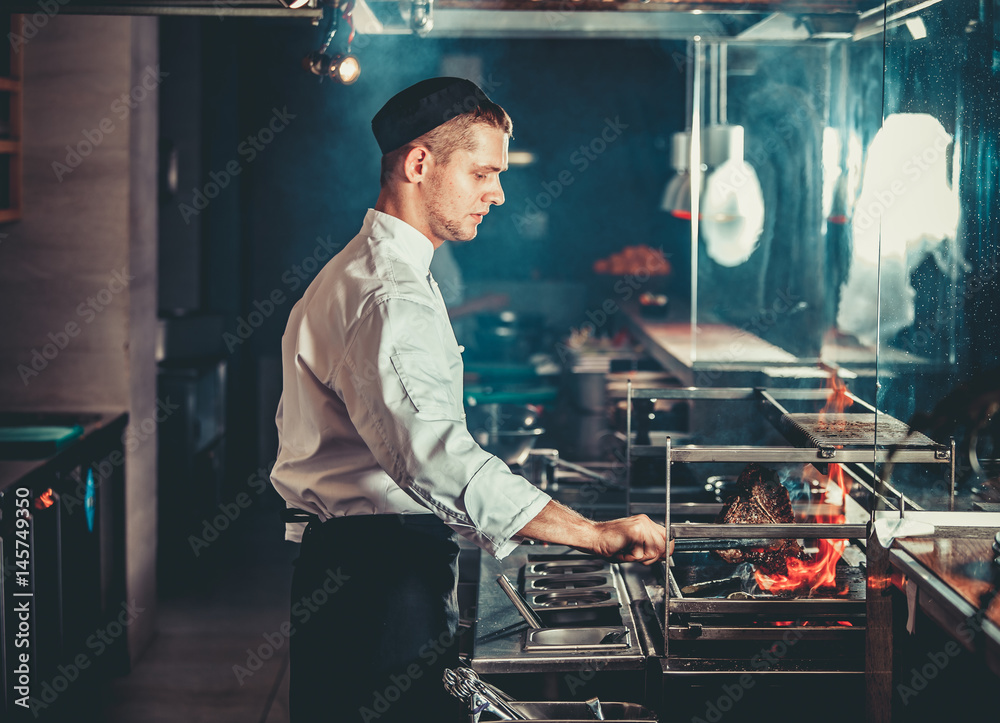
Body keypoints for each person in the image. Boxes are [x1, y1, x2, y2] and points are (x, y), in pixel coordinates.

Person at [270, 77, 670, 723]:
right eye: (483, 172)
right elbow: (437, 461)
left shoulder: (372, 269)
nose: (499, 193)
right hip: (377, 584)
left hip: (364, 568)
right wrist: (593, 534)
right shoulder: (386, 292)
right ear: (419, 163)